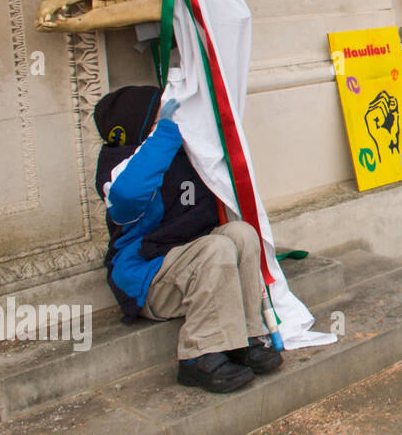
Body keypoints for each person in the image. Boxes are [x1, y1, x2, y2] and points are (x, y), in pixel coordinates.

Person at [94, 85, 282, 392]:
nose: (172, 117)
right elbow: (127, 197)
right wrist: (164, 134)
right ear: (140, 122)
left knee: (242, 234)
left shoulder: (181, 151)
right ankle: (198, 355)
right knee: (216, 247)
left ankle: (244, 339)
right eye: (160, 113)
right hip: (148, 278)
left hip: (189, 264)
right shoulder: (119, 162)